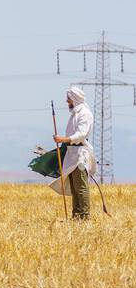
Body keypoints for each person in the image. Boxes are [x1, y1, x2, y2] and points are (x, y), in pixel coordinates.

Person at [52, 85, 95, 220]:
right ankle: (76, 215)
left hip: (80, 155)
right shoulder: (75, 114)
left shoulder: (85, 114)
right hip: (72, 154)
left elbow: (81, 134)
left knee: (81, 187)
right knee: (75, 187)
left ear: (74, 99)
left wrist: (63, 139)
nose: (67, 101)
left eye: (68, 99)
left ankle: (84, 216)